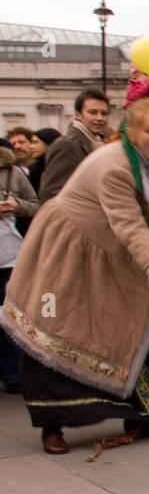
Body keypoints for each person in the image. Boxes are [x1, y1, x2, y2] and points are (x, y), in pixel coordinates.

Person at [0, 99, 149, 455]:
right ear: (130, 132)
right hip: (67, 252)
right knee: (53, 329)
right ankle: (51, 426)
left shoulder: (142, 159)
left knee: (122, 328)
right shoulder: (115, 166)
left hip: (104, 254)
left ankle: (144, 412)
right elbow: (130, 226)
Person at [0, 147, 40, 393]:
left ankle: (13, 372)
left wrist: (16, 206)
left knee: (9, 316)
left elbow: (36, 204)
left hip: (8, 254)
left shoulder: (12, 171)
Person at [38, 88, 110, 202]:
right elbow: (50, 192)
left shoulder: (99, 143)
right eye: (93, 112)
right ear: (78, 115)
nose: (100, 118)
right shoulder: (67, 144)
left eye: (104, 113)